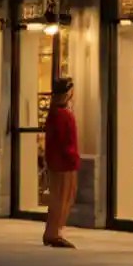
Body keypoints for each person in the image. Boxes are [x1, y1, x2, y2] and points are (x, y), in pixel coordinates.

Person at [43, 77, 80, 248]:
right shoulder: (61, 114)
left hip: (61, 160)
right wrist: (71, 157)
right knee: (62, 196)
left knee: (61, 196)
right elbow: (64, 140)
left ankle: (53, 231)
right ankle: (54, 232)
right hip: (64, 161)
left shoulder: (55, 113)